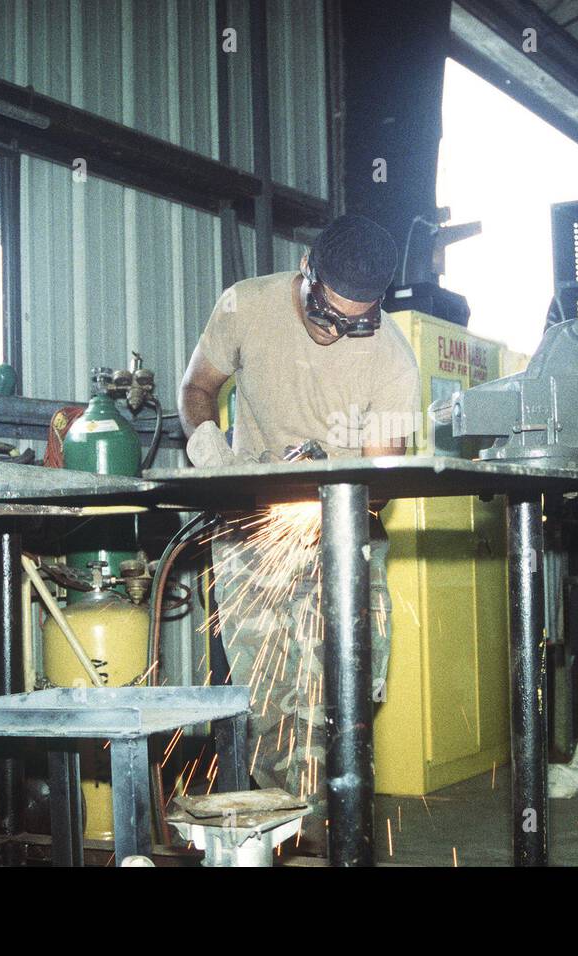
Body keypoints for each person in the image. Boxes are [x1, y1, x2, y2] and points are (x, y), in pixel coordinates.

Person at [177, 214, 421, 848]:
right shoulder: (246, 305)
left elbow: (383, 474)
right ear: (307, 270)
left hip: (339, 533)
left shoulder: (391, 357)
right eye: (327, 314)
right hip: (249, 531)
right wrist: (214, 456)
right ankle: (273, 843)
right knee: (265, 704)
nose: (336, 332)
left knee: (340, 696)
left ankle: (332, 840)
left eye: (355, 322)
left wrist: (329, 480)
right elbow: (197, 385)